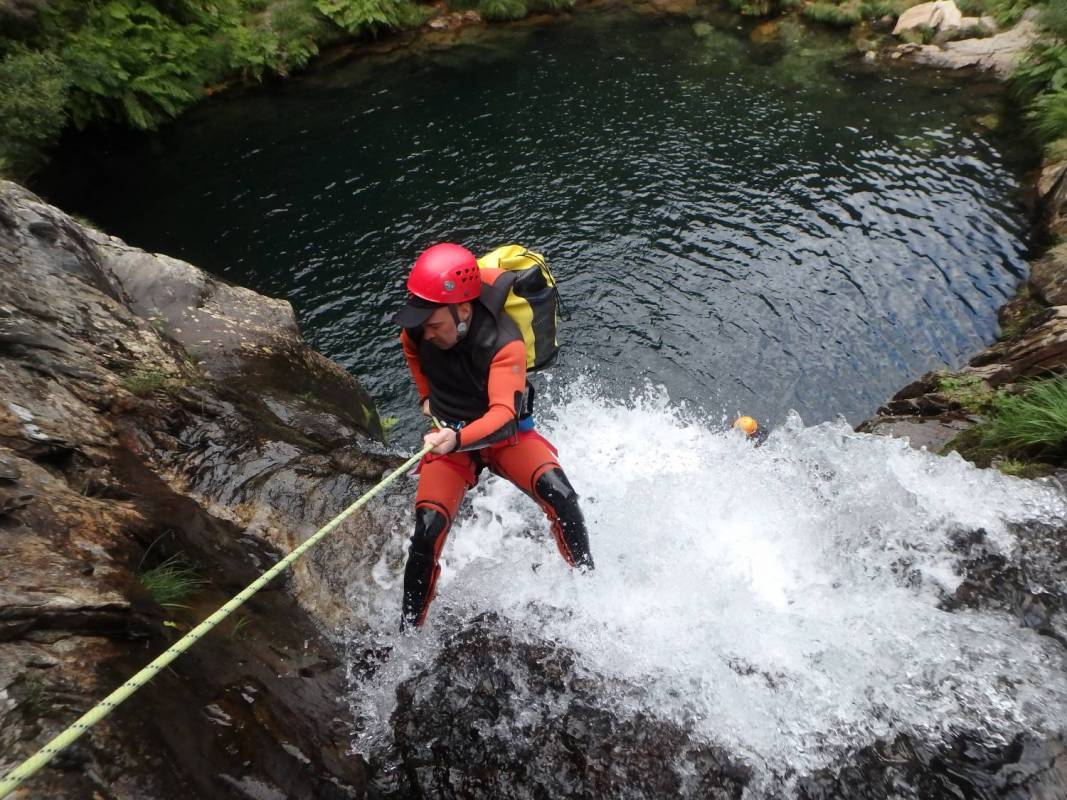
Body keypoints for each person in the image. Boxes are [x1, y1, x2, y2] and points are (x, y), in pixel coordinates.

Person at [392, 242, 594, 629]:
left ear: (463, 311)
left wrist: (456, 439)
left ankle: (588, 588)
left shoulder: (505, 342)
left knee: (563, 498)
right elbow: (415, 357)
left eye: (435, 325)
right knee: (427, 532)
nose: (426, 333)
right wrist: (426, 399)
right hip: (450, 439)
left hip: (501, 439)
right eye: (422, 324)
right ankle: (408, 630)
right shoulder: (416, 331)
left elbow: (503, 415)